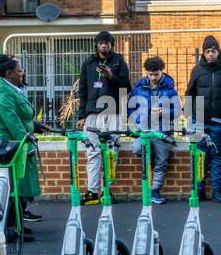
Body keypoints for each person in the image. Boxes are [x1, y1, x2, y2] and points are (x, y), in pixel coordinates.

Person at [0, 55, 42, 240]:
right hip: (5, 146)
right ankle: (11, 230)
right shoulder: (2, 92)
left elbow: (19, 115)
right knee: (8, 188)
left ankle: (16, 226)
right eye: (19, 70)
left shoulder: (9, 89)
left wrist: (34, 127)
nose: (22, 73)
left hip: (11, 144)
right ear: (9, 73)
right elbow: (12, 121)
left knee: (15, 186)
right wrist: (26, 139)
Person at [75, 31, 130, 204]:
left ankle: (107, 190)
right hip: (92, 113)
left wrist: (110, 76)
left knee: (111, 152)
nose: (104, 45)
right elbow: (82, 90)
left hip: (112, 112)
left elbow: (126, 86)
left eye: (107, 42)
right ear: (96, 45)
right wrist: (82, 115)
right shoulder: (88, 63)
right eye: (101, 43)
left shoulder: (119, 61)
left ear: (111, 44)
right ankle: (92, 191)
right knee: (93, 151)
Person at [185, 35, 221, 203]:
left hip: (220, 122)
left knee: (218, 157)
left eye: (213, 51)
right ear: (203, 53)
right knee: (199, 157)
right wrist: (189, 115)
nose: (210, 54)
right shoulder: (197, 70)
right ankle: (198, 191)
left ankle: (217, 192)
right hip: (199, 120)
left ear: (218, 51)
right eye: (207, 51)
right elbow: (190, 92)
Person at [128, 56, 181, 205]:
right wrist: (139, 119)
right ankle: (150, 164)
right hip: (144, 129)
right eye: (150, 74)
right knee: (137, 149)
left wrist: (164, 112)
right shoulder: (138, 88)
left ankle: (155, 191)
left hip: (163, 129)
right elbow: (130, 108)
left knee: (162, 161)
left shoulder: (170, 89)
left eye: (156, 74)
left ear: (161, 71)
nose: (153, 77)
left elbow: (177, 112)